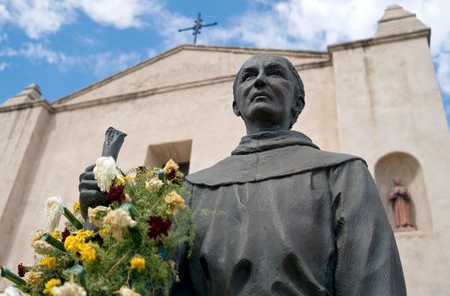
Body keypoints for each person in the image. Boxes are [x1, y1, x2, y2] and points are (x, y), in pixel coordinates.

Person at [80, 54, 406, 295]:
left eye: (275, 74)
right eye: (248, 76)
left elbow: (374, 282)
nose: (259, 80)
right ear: (236, 105)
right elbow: (154, 284)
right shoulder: (193, 189)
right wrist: (103, 215)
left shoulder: (342, 173)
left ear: (298, 103)